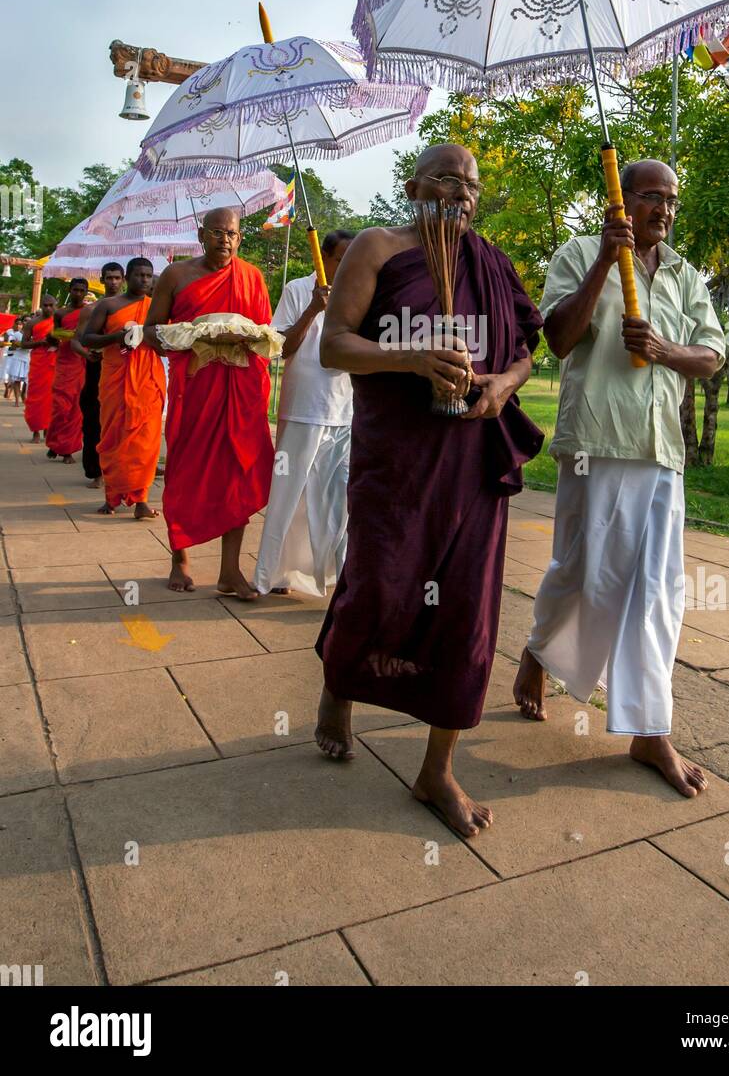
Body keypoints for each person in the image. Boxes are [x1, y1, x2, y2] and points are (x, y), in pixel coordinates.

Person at [315, 143, 543, 838]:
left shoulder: (493, 263)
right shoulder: (379, 249)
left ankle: (436, 768)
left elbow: (528, 349)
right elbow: (334, 345)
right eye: (445, 181)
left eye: (471, 185)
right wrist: (412, 359)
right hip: (399, 462)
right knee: (379, 586)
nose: (459, 195)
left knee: (465, 613)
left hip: (472, 460)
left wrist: (502, 386)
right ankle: (339, 689)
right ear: (413, 186)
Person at [512, 158, 727, 798]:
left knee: (658, 591)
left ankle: (647, 729)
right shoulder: (580, 253)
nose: (663, 209)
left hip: (661, 449)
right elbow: (556, 338)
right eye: (651, 197)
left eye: (671, 200)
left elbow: (711, 355)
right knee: (582, 571)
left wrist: (664, 351)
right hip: (595, 444)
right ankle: (539, 651)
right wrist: (607, 261)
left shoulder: (686, 275)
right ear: (622, 198)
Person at [143, 208, 274, 597]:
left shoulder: (251, 276)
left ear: (240, 238)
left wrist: (243, 337)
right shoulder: (176, 275)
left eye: (232, 234)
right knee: (185, 470)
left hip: (240, 389)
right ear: (201, 235)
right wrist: (189, 336)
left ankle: (230, 571)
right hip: (195, 387)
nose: (225, 240)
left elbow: (265, 334)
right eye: (217, 233)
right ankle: (179, 559)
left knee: (239, 474)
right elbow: (152, 331)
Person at [254, 230, 355, 598]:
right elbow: (282, 348)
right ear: (322, 257)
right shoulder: (299, 289)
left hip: (346, 408)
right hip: (303, 405)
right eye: (341, 258)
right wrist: (314, 308)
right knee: (289, 492)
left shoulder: (362, 290)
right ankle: (275, 573)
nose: (347, 265)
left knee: (340, 500)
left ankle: (341, 577)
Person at [83, 258, 165, 519]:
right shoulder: (108, 305)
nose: (144, 280)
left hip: (147, 382)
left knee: (145, 442)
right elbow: (88, 338)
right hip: (116, 380)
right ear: (128, 277)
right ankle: (111, 497)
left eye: (149, 275)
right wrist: (117, 337)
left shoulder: (155, 308)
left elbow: (163, 343)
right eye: (139, 275)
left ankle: (141, 500)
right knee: (114, 439)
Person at [72, 262, 125, 489]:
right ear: (102, 280)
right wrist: (87, 354)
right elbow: (77, 339)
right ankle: (97, 472)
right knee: (94, 422)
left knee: (123, 423)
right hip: (97, 369)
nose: (113, 282)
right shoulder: (91, 309)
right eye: (109, 278)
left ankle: (127, 471)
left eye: (117, 278)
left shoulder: (134, 306)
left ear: (123, 279)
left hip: (125, 369)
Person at [45, 278, 89, 463]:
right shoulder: (60, 313)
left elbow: (90, 335)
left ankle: (67, 449)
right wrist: (54, 337)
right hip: (64, 361)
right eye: (75, 290)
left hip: (81, 361)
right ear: (69, 290)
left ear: (86, 292)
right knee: (60, 407)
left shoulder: (90, 312)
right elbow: (54, 336)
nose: (78, 293)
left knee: (75, 407)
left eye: (82, 290)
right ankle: (54, 442)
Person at [21, 298, 59, 441]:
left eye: (51, 305)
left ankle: (48, 428)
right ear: (41, 306)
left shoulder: (60, 320)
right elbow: (24, 343)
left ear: (56, 305)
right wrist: (41, 342)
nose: (48, 308)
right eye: (45, 305)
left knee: (52, 397)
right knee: (36, 396)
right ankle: (36, 430)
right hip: (38, 363)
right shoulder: (32, 322)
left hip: (55, 361)